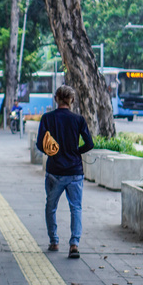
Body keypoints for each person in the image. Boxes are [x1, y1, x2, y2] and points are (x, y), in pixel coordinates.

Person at [37, 84, 94, 259]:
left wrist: (53, 152)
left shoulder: (47, 118)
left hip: (54, 170)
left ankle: (54, 241)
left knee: (50, 207)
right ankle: (74, 244)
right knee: (75, 207)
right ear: (72, 100)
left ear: (56, 99)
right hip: (75, 171)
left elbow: (40, 144)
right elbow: (90, 144)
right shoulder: (78, 120)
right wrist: (76, 152)